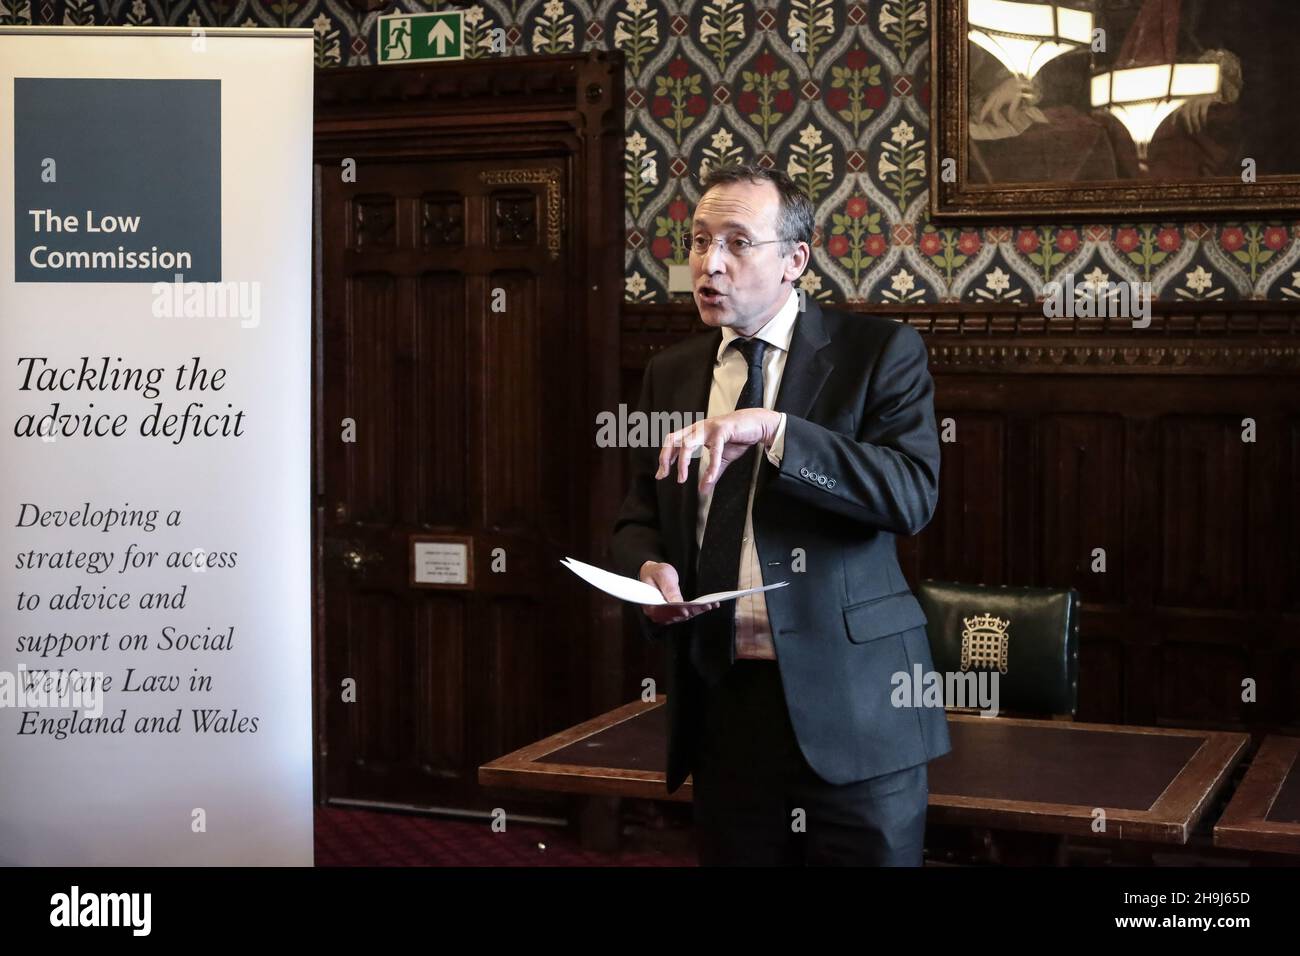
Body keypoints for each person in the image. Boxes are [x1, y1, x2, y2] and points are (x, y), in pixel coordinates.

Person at [610, 164, 950, 866]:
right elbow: (637, 513)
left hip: (855, 708)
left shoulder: (879, 353)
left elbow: (911, 495)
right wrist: (646, 570)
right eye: (700, 241)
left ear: (795, 260)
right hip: (725, 705)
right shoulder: (670, 372)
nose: (711, 263)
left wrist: (778, 433)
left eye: (737, 242)